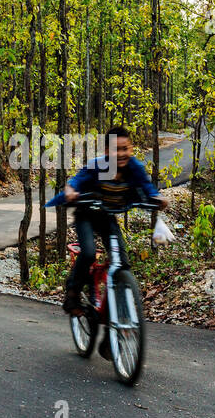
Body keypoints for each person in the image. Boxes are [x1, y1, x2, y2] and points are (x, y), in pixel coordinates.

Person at [56, 125, 169, 316]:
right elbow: (75, 182)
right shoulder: (96, 166)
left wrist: (158, 199)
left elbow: (148, 188)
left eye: (126, 148)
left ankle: (115, 312)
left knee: (122, 262)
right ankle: (73, 293)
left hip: (106, 216)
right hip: (86, 214)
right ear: (107, 151)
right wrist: (70, 192)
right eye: (117, 149)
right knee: (89, 253)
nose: (122, 154)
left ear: (131, 149)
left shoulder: (135, 168)